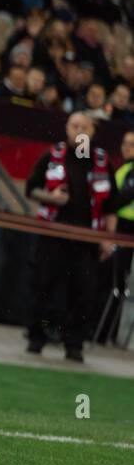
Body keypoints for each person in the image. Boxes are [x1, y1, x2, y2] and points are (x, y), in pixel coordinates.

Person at [25, 111, 111, 361]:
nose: (79, 131)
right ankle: (36, 339)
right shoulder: (52, 155)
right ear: (66, 128)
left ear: (92, 131)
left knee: (83, 293)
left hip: (86, 240)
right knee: (43, 287)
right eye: (74, 126)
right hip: (53, 235)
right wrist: (51, 198)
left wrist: (108, 237)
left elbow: (110, 206)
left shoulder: (102, 161)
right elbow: (32, 189)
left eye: (84, 127)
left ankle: (74, 345)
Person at [97, 129, 134, 343]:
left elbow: (123, 197)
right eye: (125, 143)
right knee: (114, 282)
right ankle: (105, 333)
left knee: (115, 283)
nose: (126, 147)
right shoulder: (124, 168)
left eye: (131, 144)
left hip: (125, 230)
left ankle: (104, 334)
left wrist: (105, 206)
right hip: (119, 227)